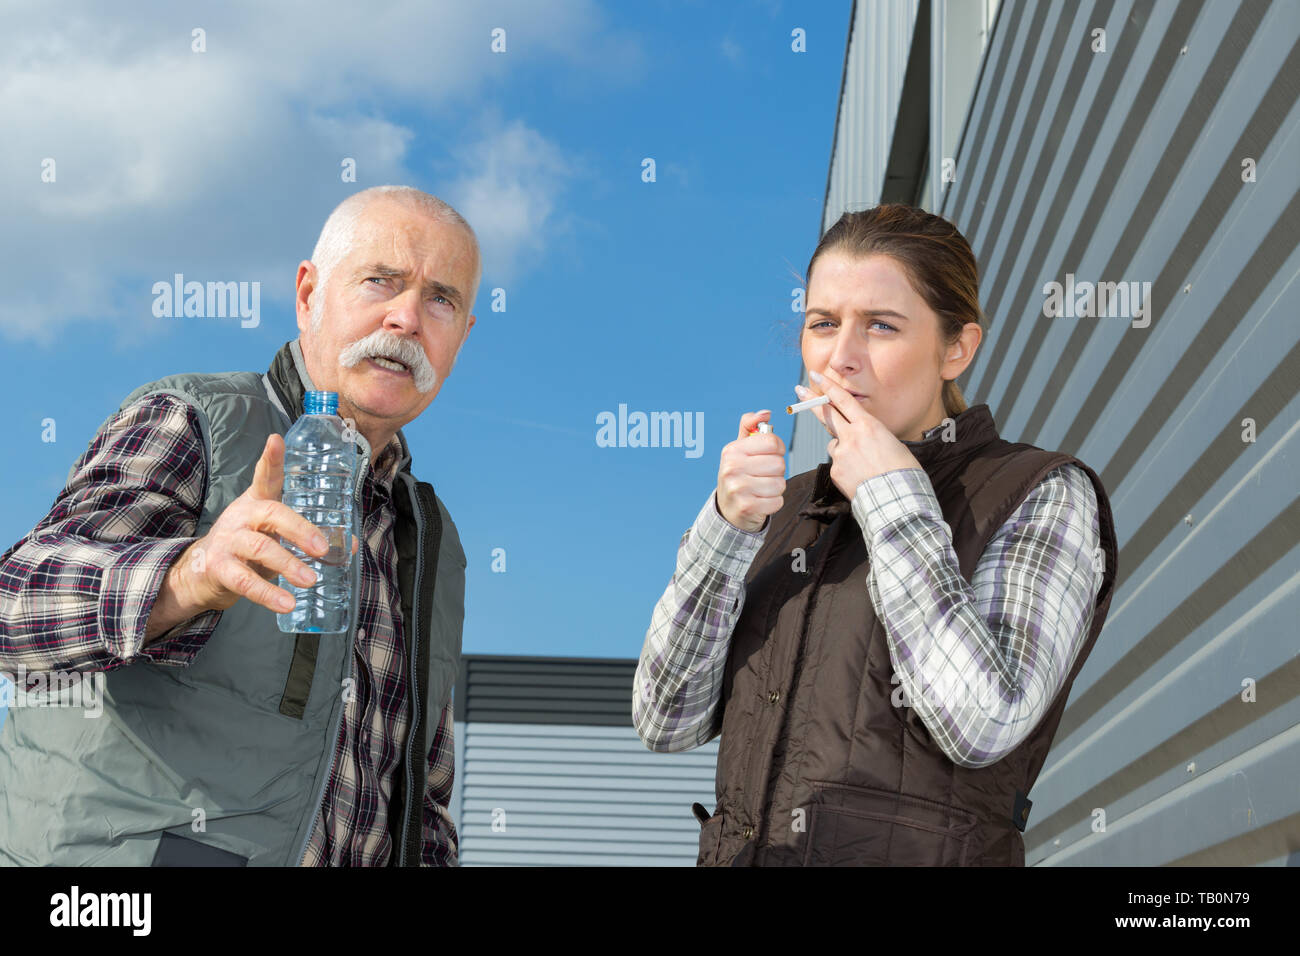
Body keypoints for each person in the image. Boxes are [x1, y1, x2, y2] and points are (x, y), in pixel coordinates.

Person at [0, 185, 477, 867]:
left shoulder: (434, 539)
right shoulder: (197, 420)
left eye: (441, 300)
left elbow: (424, 798)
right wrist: (187, 577)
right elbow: (14, 604)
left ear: (461, 336)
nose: (406, 318)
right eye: (381, 281)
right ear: (308, 295)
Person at [634, 203, 1118, 866]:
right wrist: (727, 527)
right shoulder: (786, 508)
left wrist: (893, 503)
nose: (841, 358)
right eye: (822, 325)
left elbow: (983, 723)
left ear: (956, 349)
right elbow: (666, 720)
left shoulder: (1039, 491)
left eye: (881, 327)